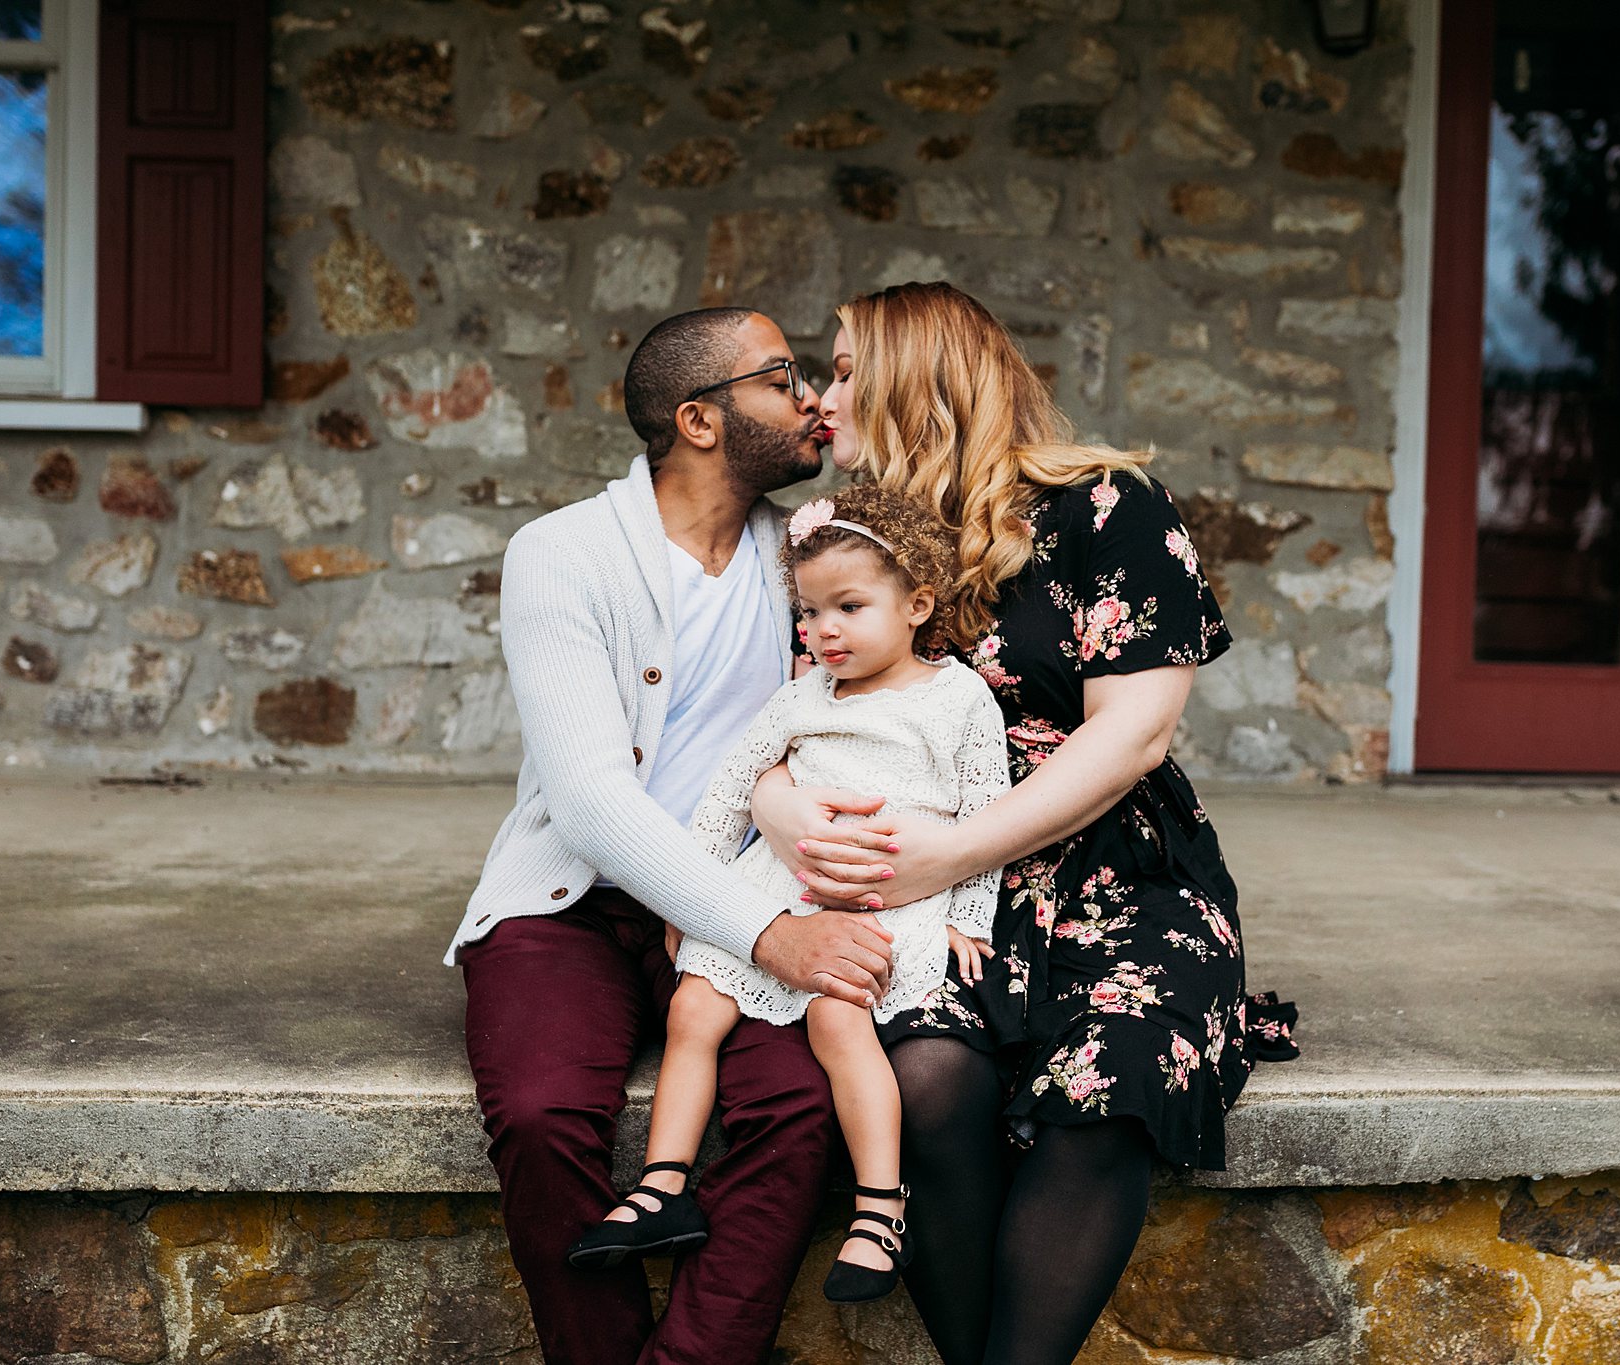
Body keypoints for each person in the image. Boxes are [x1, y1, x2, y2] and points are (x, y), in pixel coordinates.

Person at [752, 282, 1300, 1365]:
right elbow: (782, 728)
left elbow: (1134, 733)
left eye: (848, 366)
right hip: (930, 896)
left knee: (1110, 1079)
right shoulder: (840, 543)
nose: (823, 396)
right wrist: (789, 824)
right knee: (928, 1081)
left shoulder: (1108, 506)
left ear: (917, 381)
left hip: (1114, 874)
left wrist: (955, 848)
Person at [447, 307, 899, 1365]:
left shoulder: (805, 556)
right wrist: (767, 935)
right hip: (571, 904)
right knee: (544, 1116)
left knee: (792, 1113)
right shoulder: (558, 554)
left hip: (731, 899)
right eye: (781, 379)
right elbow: (592, 803)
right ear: (698, 421)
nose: (809, 401)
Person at [566, 486, 1012, 1305]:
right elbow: (730, 791)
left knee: (840, 1018)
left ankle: (880, 1212)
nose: (825, 630)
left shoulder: (958, 698)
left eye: (849, 605)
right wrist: (687, 901)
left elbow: (990, 814)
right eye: (810, 612)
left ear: (916, 604)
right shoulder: (802, 698)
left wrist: (969, 917)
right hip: (776, 889)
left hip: (889, 898)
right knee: (694, 1007)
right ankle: (661, 1187)